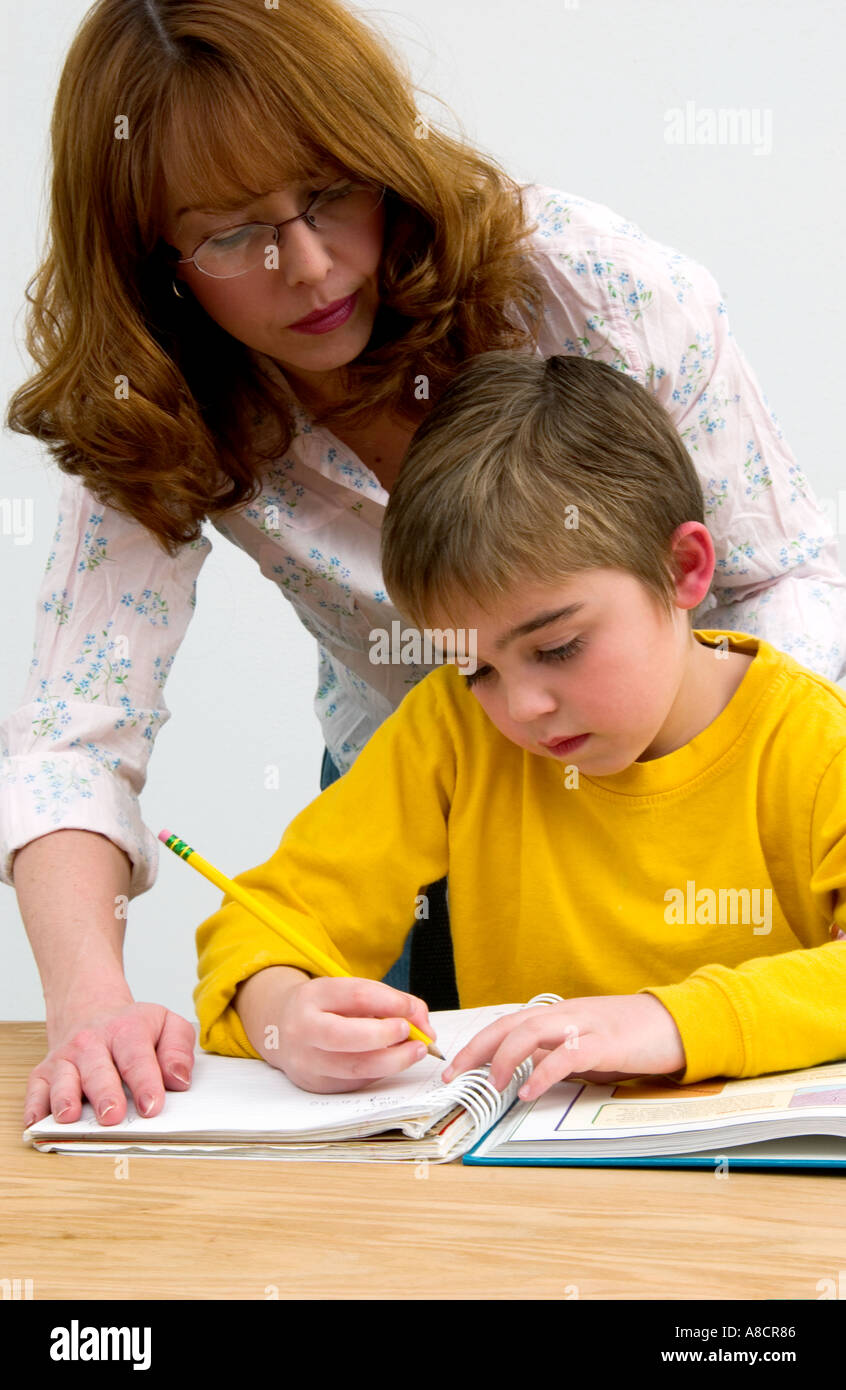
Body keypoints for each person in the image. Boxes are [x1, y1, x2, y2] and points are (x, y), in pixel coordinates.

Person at [4, 0, 845, 1132]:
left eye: (328, 194)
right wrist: (224, 1004)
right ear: (154, 261)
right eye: (230, 233)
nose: (307, 266)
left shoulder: (595, 280)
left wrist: (730, 803)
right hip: (445, 811)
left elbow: (779, 575)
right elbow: (78, 741)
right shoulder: (449, 735)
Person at [194, 351, 846, 1099]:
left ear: (683, 569)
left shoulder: (815, 745)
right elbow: (264, 922)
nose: (522, 707)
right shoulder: (451, 732)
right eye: (477, 669)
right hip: (519, 1196)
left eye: (558, 647)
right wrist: (282, 1010)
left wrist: (669, 1022)